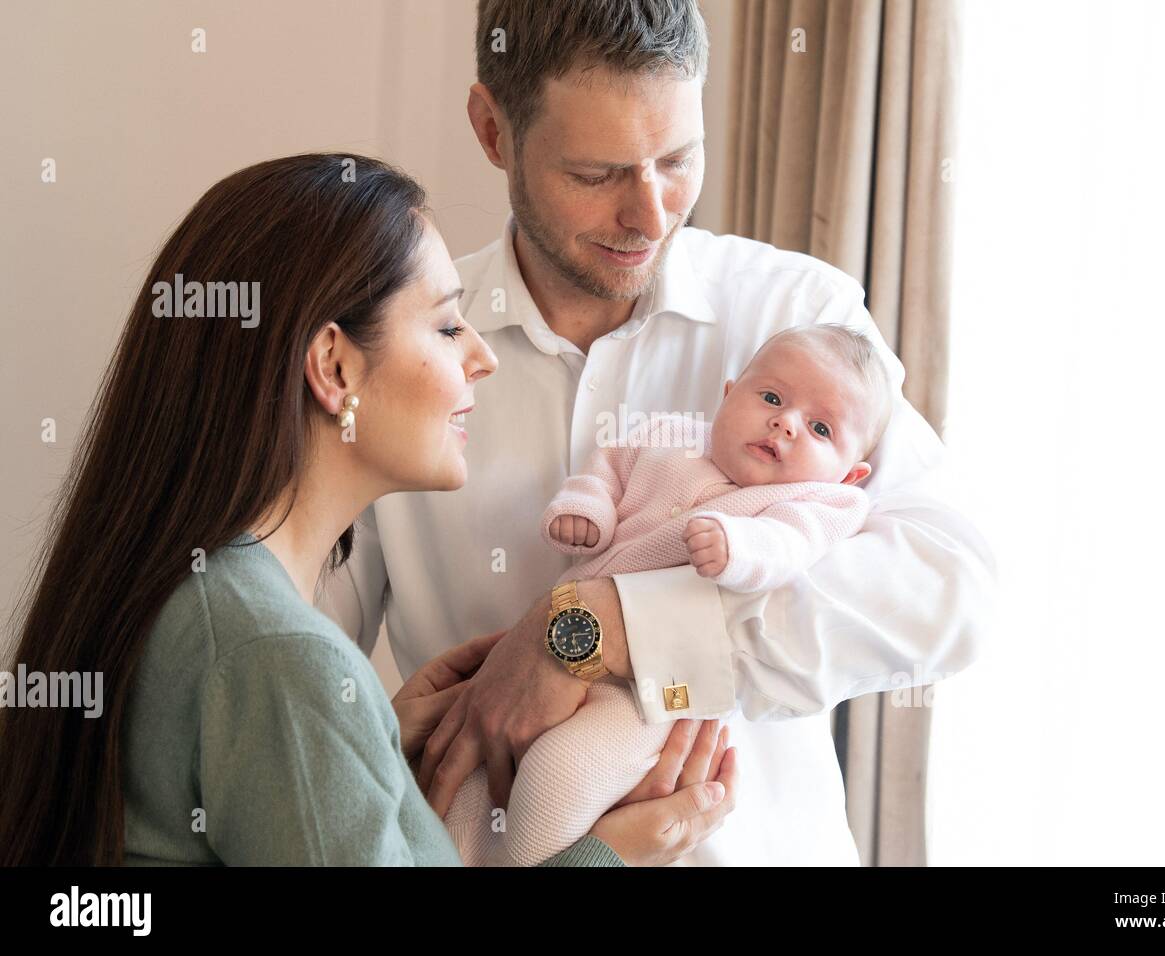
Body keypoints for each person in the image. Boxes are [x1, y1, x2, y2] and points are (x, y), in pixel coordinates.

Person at [320, 0, 995, 865]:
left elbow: (950, 591)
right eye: (596, 174)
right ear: (493, 130)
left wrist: (609, 627)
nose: (649, 214)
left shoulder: (801, 316)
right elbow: (301, 653)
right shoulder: (400, 348)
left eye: (678, 159)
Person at [0, 153, 736, 866]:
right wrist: (610, 857)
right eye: (448, 326)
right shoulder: (277, 656)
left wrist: (371, 755)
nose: (481, 355)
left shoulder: (204, 602)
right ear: (334, 366)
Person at [446, 323, 892, 865]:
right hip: (547, 653)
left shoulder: (820, 501)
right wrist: (588, 507)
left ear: (850, 475)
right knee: (471, 779)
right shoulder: (670, 435)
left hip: (651, 696)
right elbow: (609, 466)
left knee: (557, 771)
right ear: (729, 397)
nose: (785, 422)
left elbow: (792, 544)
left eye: (821, 428)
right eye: (771, 397)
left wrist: (741, 547)